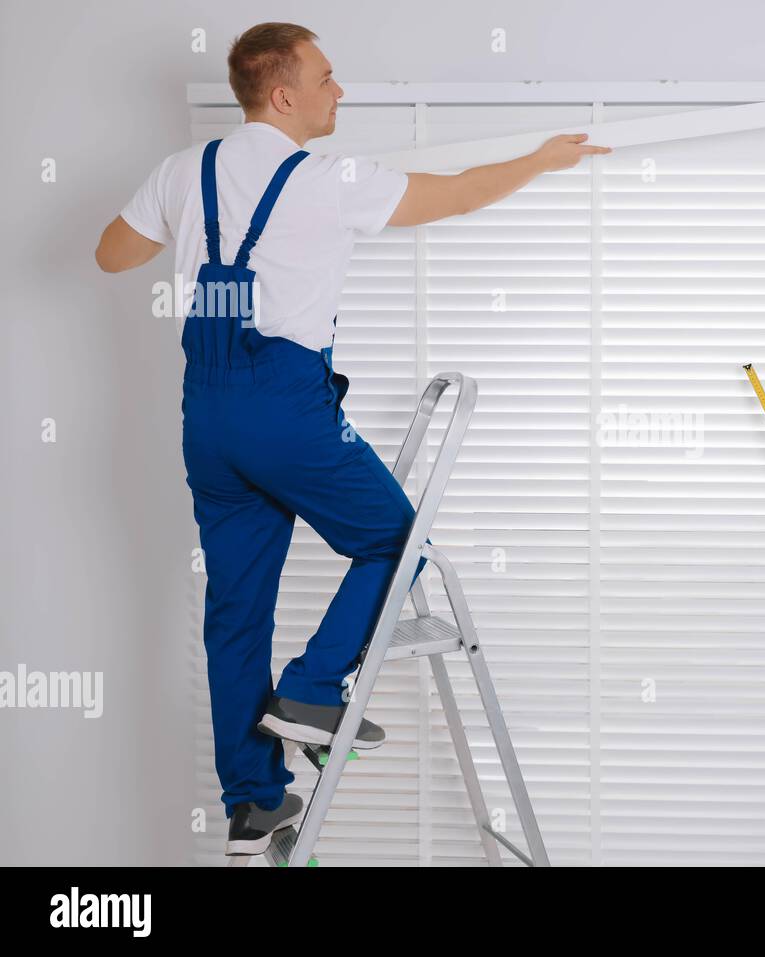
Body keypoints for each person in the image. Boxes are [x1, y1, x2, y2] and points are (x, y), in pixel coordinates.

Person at [94, 21, 610, 856]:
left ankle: (254, 799)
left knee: (234, 611)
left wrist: (191, 233)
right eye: (328, 78)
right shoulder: (329, 179)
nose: (340, 92)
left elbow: (112, 254)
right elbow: (460, 193)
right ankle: (308, 689)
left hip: (207, 417)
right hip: (284, 407)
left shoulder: (181, 173)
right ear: (283, 93)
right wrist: (540, 160)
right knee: (401, 542)